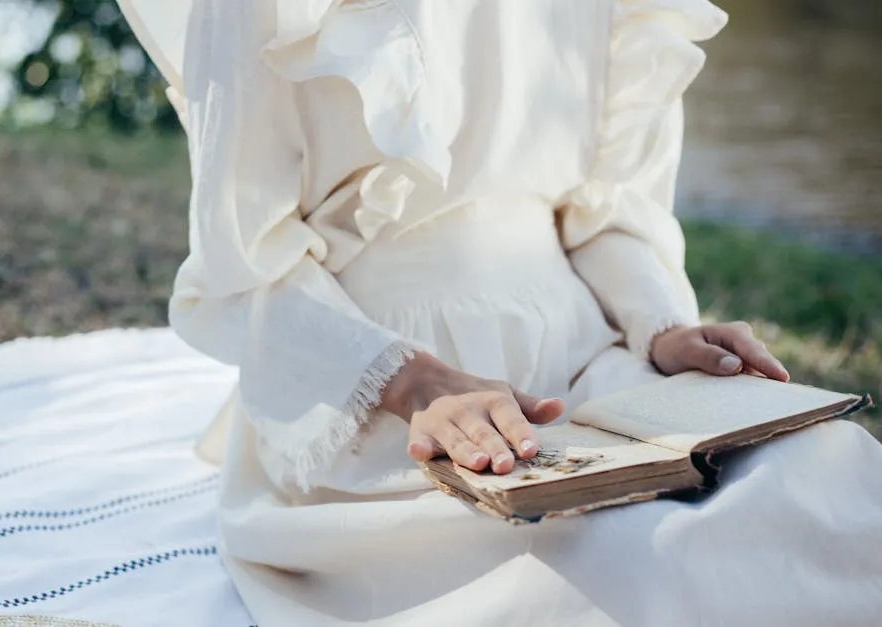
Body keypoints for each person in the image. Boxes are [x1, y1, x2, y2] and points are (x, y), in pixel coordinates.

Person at [117, 1, 882, 625]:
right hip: (376, 394)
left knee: (832, 475)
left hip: (590, 357)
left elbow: (601, 210)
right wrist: (415, 381)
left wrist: (661, 326)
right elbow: (246, 271)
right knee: (643, 567)